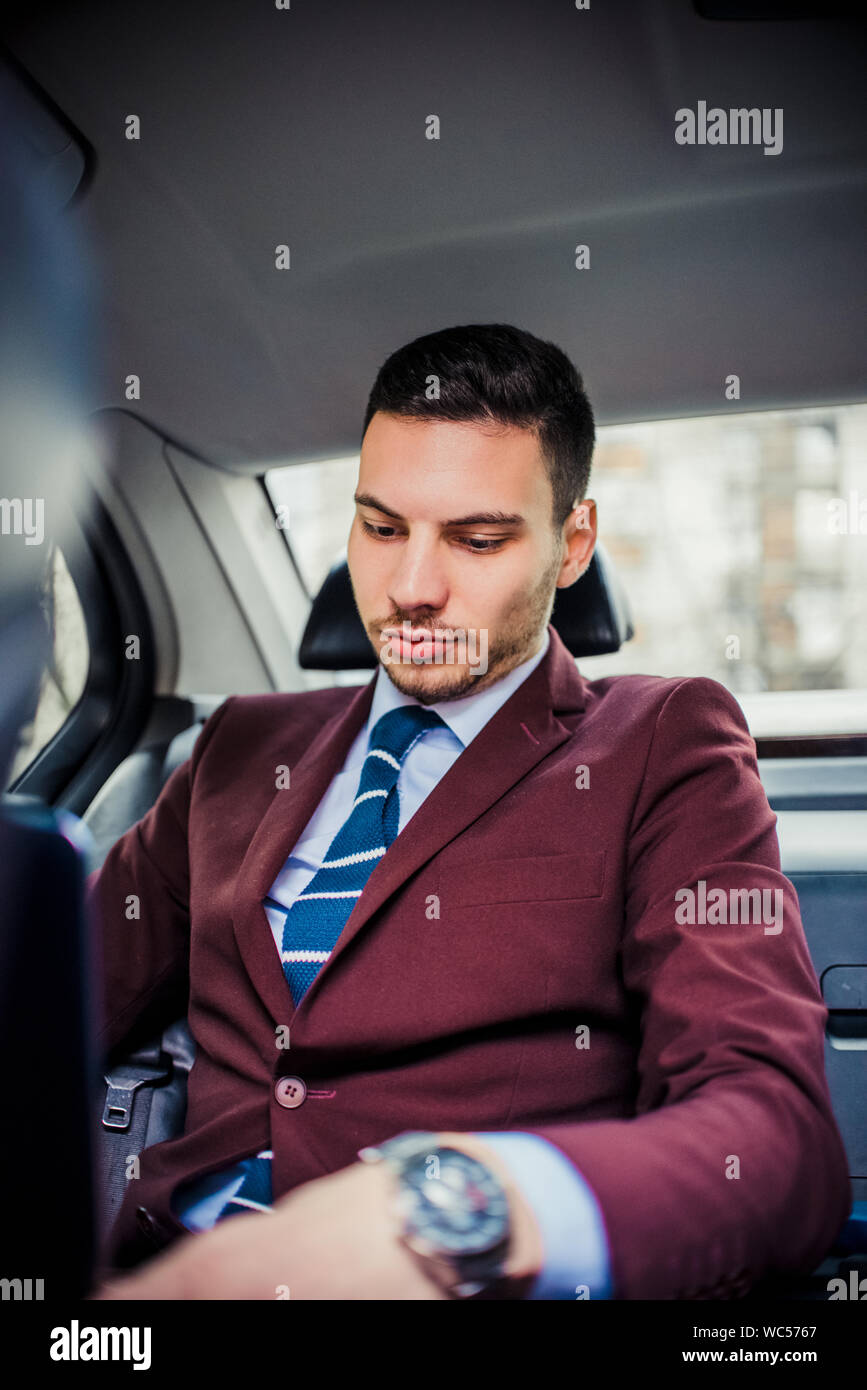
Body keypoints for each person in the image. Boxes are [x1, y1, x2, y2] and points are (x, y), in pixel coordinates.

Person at [90, 323, 850, 1300]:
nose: (411, 588)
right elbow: (51, 991)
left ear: (573, 542)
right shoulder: (239, 746)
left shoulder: (662, 740)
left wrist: (460, 1212)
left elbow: (778, 1142)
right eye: (380, 526)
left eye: (477, 537)